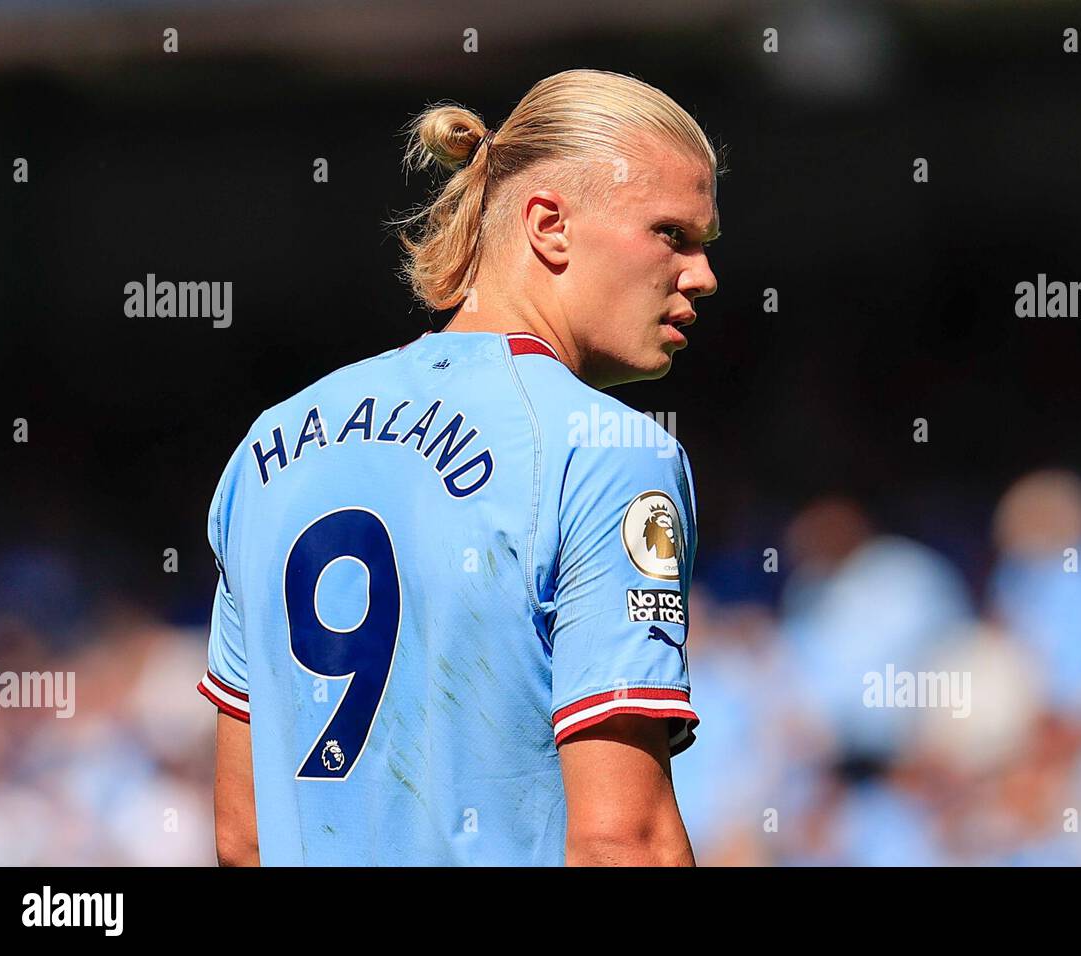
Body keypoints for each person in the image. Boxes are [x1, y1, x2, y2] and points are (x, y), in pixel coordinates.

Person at [196, 69, 722, 865]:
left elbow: (245, 835)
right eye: (672, 235)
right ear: (549, 225)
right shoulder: (609, 451)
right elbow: (627, 842)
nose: (703, 276)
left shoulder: (269, 448)